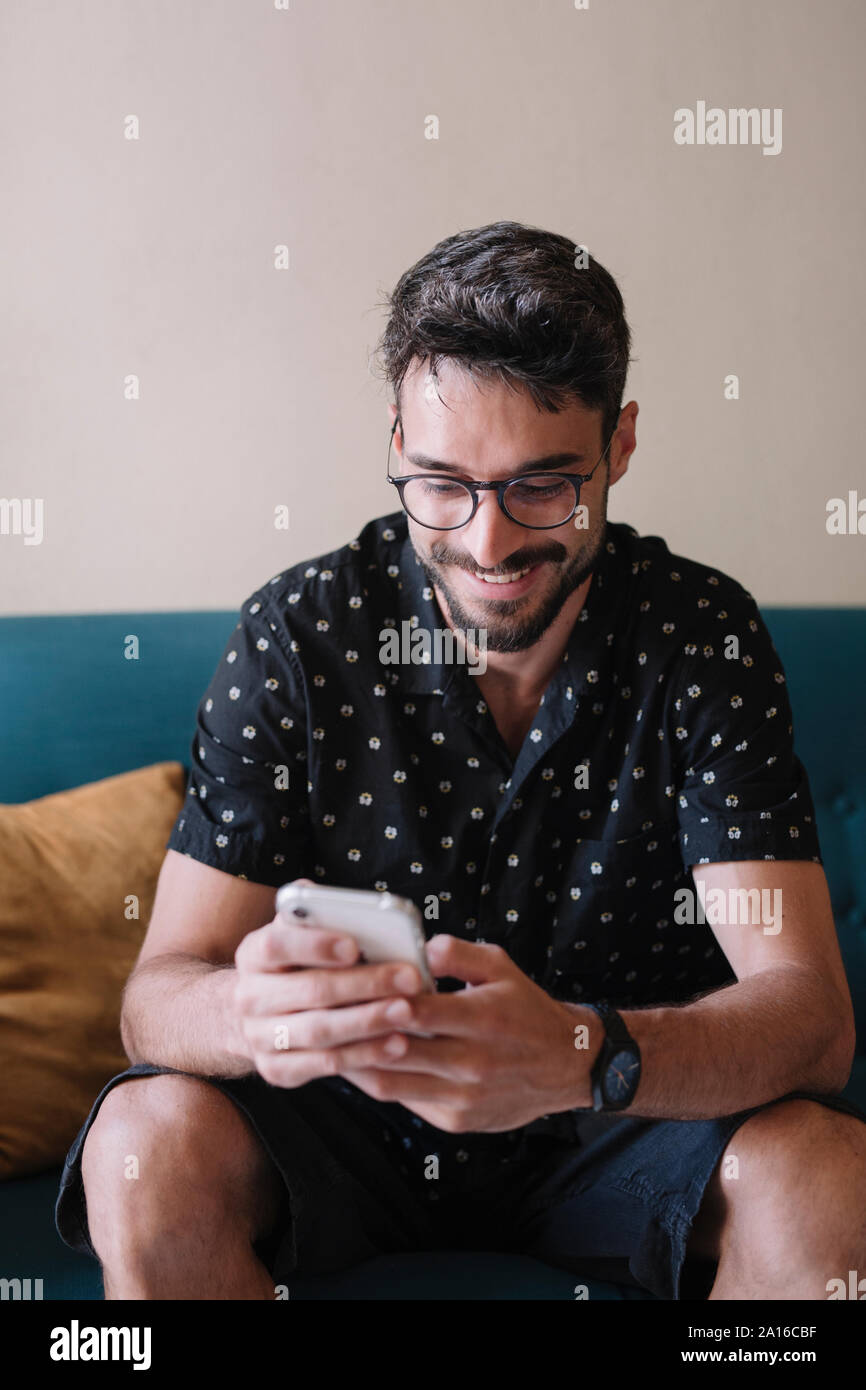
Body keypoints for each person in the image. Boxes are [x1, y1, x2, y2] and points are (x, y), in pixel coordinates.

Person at [56, 220, 866, 1300]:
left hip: (618, 1116)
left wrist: (585, 1052)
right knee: (139, 1144)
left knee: (824, 1180)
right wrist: (248, 1014)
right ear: (394, 436)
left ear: (617, 445)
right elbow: (156, 995)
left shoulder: (698, 635)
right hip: (345, 1129)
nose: (486, 545)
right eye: (440, 483)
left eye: (542, 485)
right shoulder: (301, 632)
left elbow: (809, 1018)